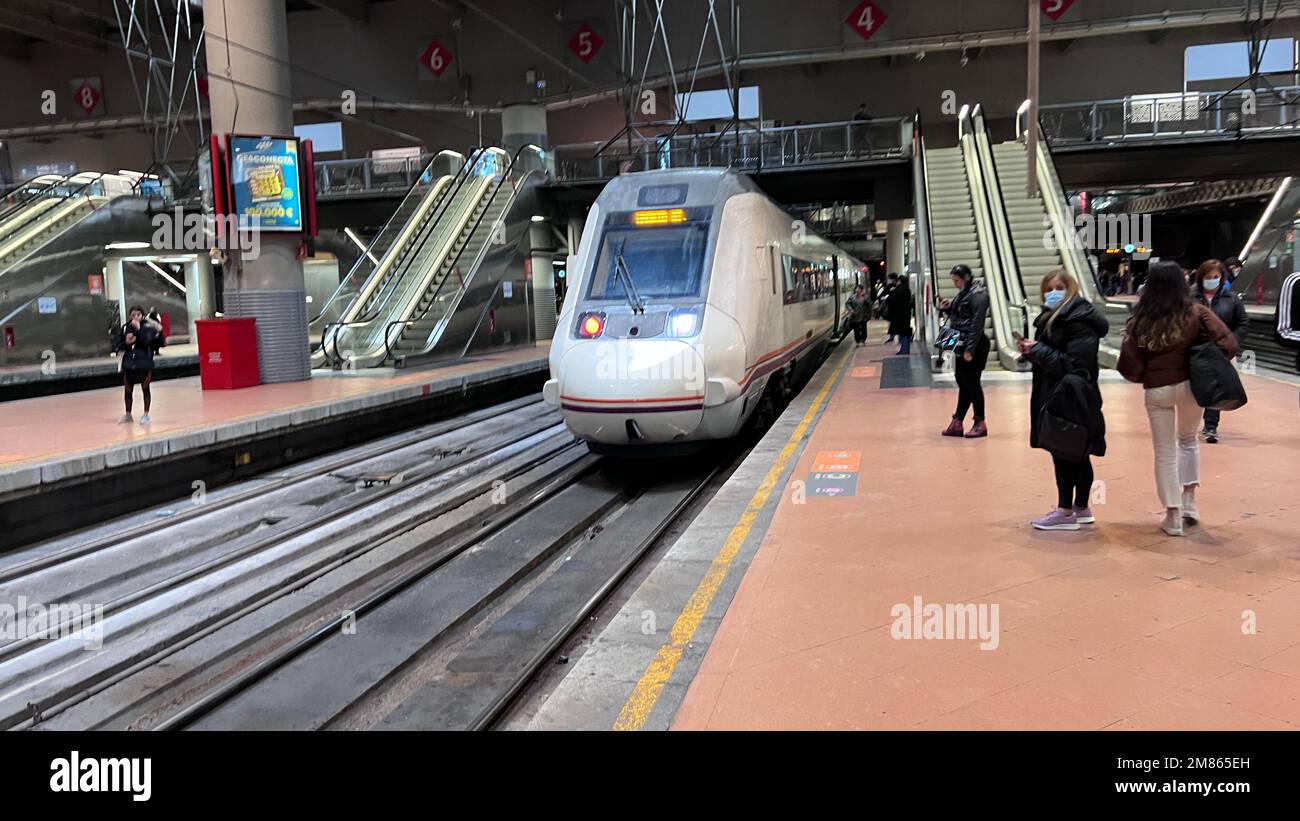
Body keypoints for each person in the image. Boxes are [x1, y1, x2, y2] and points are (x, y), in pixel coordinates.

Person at [1118, 261, 1238, 537]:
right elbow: (1229, 344)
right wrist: (1204, 360)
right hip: (1191, 386)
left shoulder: (1141, 319)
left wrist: (1146, 375)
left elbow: (1129, 364)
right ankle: (1189, 504)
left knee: (1164, 452)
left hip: (1157, 389)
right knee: (1188, 441)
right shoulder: (1197, 312)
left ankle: (1172, 516)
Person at [1017, 270, 1108, 531]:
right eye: (1048, 289)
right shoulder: (1055, 318)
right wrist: (1032, 351)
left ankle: (1065, 511)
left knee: (1065, 452)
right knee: (1076, 452)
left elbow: (1074, 365)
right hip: (1062, 394)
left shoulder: (1078, 321)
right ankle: (1081, 508)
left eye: (1059, 287)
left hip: (1070, 396)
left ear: (1071, 289)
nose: (1052, 293)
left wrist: (1038, 349)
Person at [1193, 259, 1250, 443]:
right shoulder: (1189, 297)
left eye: (1215, 276)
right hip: (1195, 350)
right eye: (1208, 277)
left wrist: (1231, 341)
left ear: (1222, 277)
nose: (1212, 280)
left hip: (1220, 351)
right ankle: (1189, 423)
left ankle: (1211, 426)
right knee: (1192, 388)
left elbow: (1243, 323)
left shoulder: (1231, 299)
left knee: (1216, 388)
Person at [938, 264, 990, 438]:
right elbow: (961, 316)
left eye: (957, 280)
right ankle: (958, 422)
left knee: (971, 383)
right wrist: (947, 307)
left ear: (966, 278)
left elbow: (977, 324)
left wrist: (970, 349)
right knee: (963, 382)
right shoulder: (964, 293)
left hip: (973, 344)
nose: (955, 283)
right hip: (960, 341)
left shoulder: (978, 295)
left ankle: (980, 422)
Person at [115, 305, 163, 425]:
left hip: (144, 362)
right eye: (133, 315)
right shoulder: (126, 328)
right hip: (129, 363)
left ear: (142, 316)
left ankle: (146, 414)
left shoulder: (148, 327)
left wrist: (138, 330)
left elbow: (146, 341)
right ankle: (128, 414)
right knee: (128, 389)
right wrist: (126, 343)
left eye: (138, 315)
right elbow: (119, 344)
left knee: (145, 388)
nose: (136, 317)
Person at [886, 272, 913, 355]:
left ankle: (904, 350)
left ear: (900, 281)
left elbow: (892, 299)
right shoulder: (907, 289)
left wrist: (890, 293)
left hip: (900, 314)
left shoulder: (899, 289)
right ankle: (905, 349)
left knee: (902, 332)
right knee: (905, 332)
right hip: (906, 313)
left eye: (898, 281)